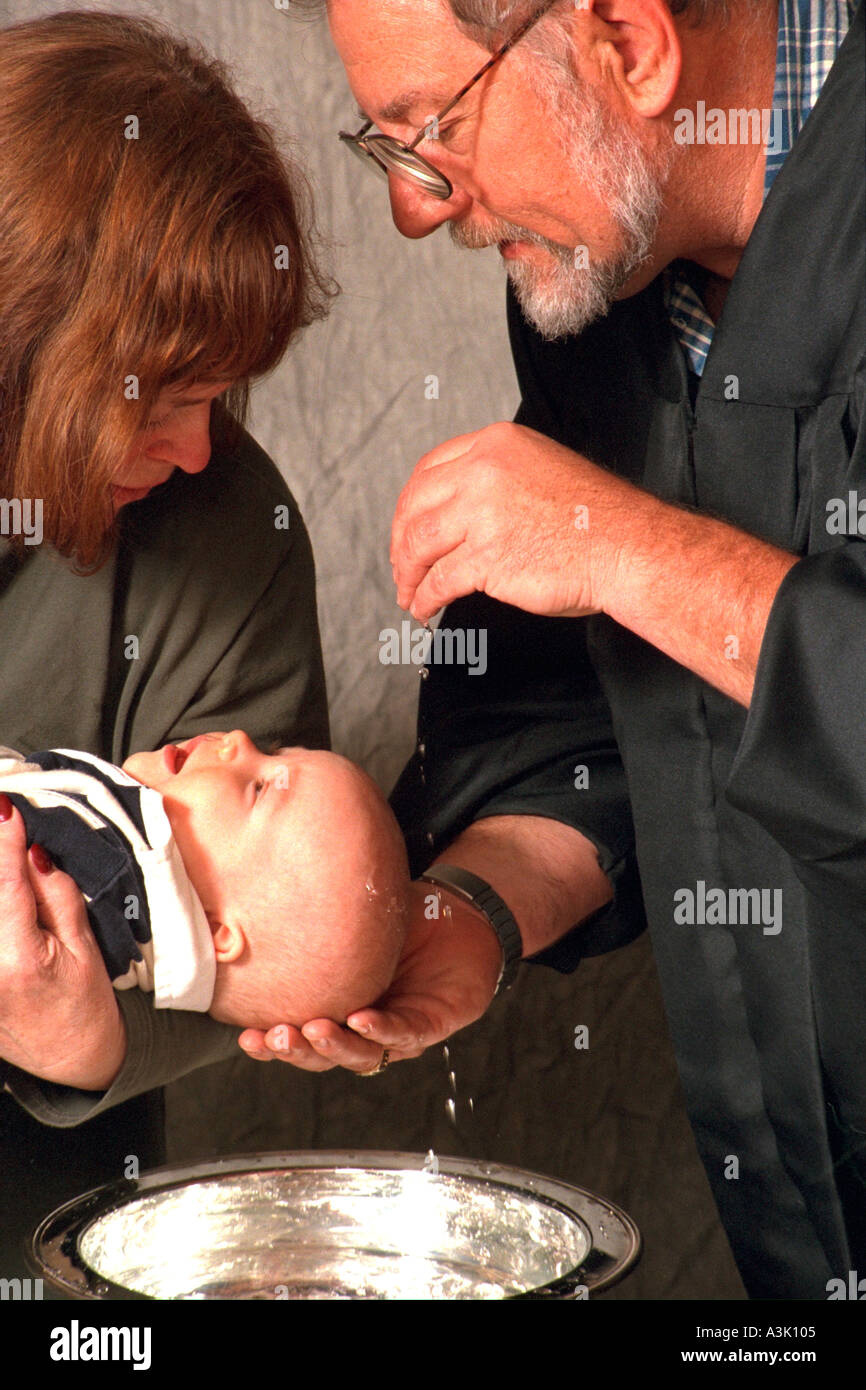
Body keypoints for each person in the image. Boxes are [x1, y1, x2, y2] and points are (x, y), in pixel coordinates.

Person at [266, 0, 865, 1299]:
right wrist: (463, 915)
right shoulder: (605, 294)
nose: (417, 210)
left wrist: (628, 546)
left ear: (630, 44)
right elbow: (598, 720)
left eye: (432, 131)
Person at [0, 10, 333, 1279]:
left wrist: (86, 1037)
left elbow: (269, 926)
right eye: (163, 392)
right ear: (25, 338)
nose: (200, 448)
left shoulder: (229, 534)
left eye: (223, 394)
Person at [1, 732, 408, 1029]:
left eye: (260, 787)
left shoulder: (99, 882)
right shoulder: (111, 836)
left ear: (216, 932)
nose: (241, 738)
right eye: (271, 751)